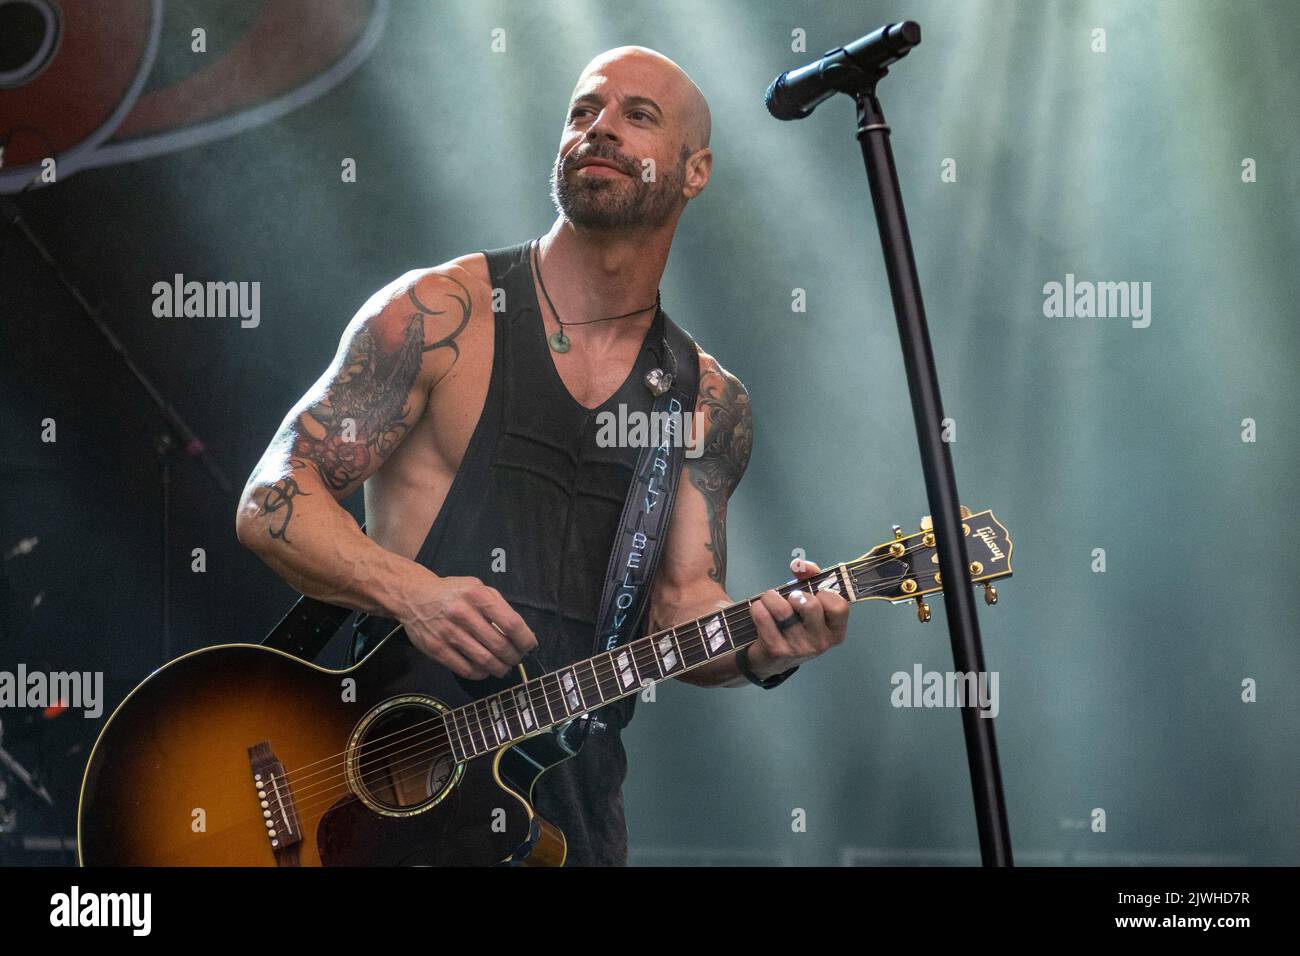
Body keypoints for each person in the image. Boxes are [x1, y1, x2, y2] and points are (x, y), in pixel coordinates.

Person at [235, 46, 849, 865]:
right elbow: (273, 497)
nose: (599, 129)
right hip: (364, 805)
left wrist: (763, 649)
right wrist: (413, 593)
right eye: (583, 111)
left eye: (638, 115)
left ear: (695, 171)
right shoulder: (439, 312)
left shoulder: (704, 400)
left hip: (563, 824)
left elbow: (679, 605)